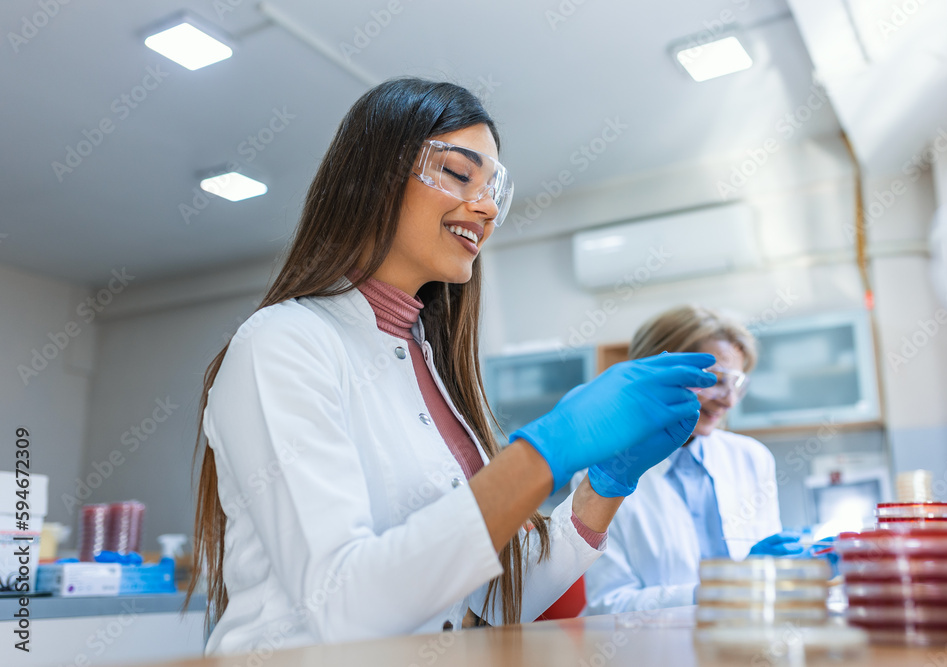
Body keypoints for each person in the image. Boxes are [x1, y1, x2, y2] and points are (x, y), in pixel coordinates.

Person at [185, 78, 718, 654]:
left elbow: (495, 598)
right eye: (460, 175)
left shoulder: (430, 367)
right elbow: (345, 607)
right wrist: (541, 454)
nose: (487, 208)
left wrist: (605, 485)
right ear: (374, 176)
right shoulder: (284, 342)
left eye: (493, 189)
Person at [582, 306, 804, 615]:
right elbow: (609, 604)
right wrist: (718, 590)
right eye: (714, 380)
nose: (728, 399)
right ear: (657, 375)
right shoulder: (604, 472)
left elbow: (766, 577)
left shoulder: (752, 458)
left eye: (736, 383)